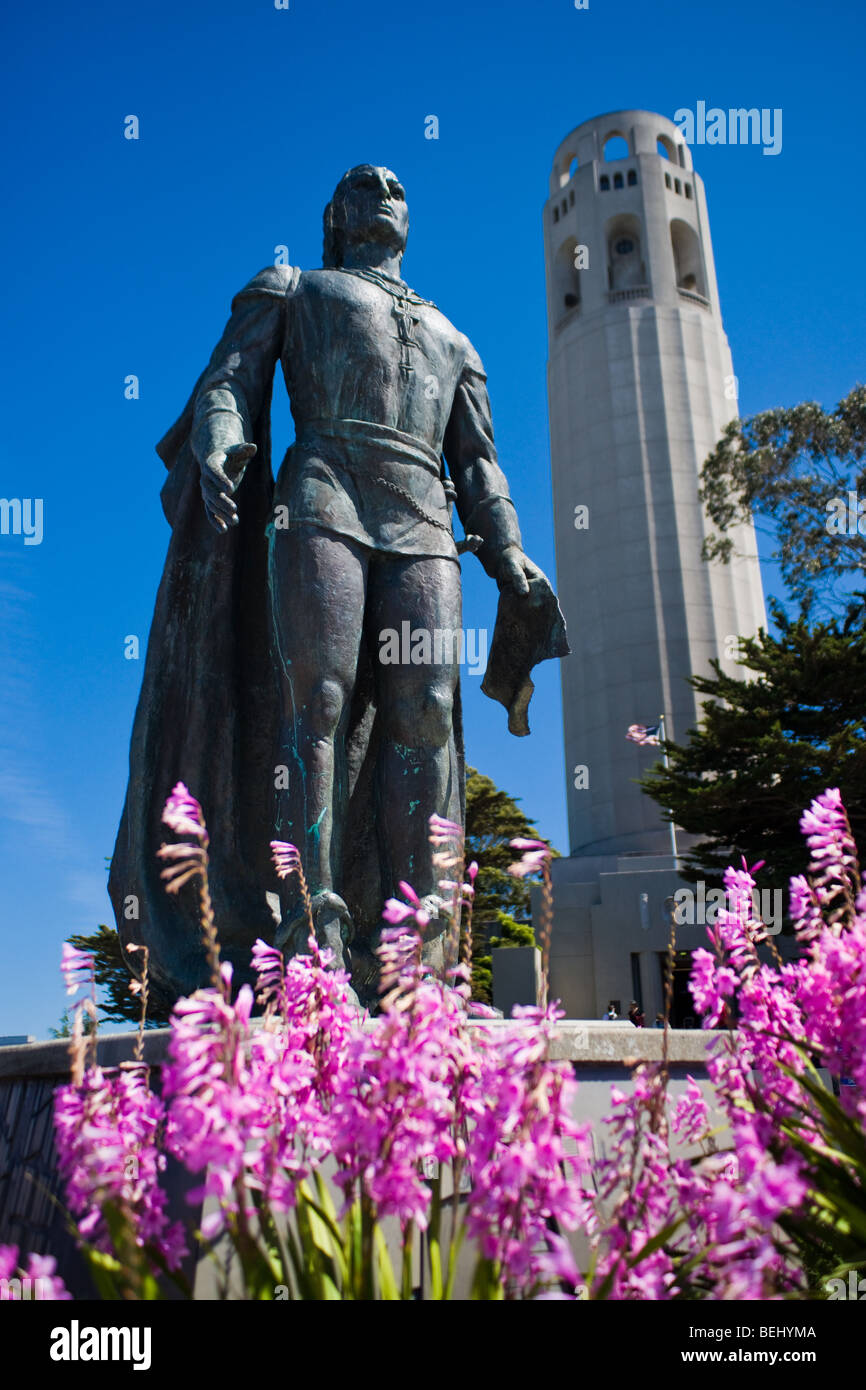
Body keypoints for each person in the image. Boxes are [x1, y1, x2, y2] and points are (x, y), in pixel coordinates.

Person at [109, 165, 569, 1005]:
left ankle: (414, 944)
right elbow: (228, 383)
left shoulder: (455, 339)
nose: (385, 187)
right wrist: (218, 441)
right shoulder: (294, 288)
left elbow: (478, 464)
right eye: (364, 184)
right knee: (315, 704)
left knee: (425, 715)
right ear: (336, 215)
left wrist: (509, 553)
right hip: (322, 495)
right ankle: (309, 932)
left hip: (425, 519)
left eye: (396, 186)